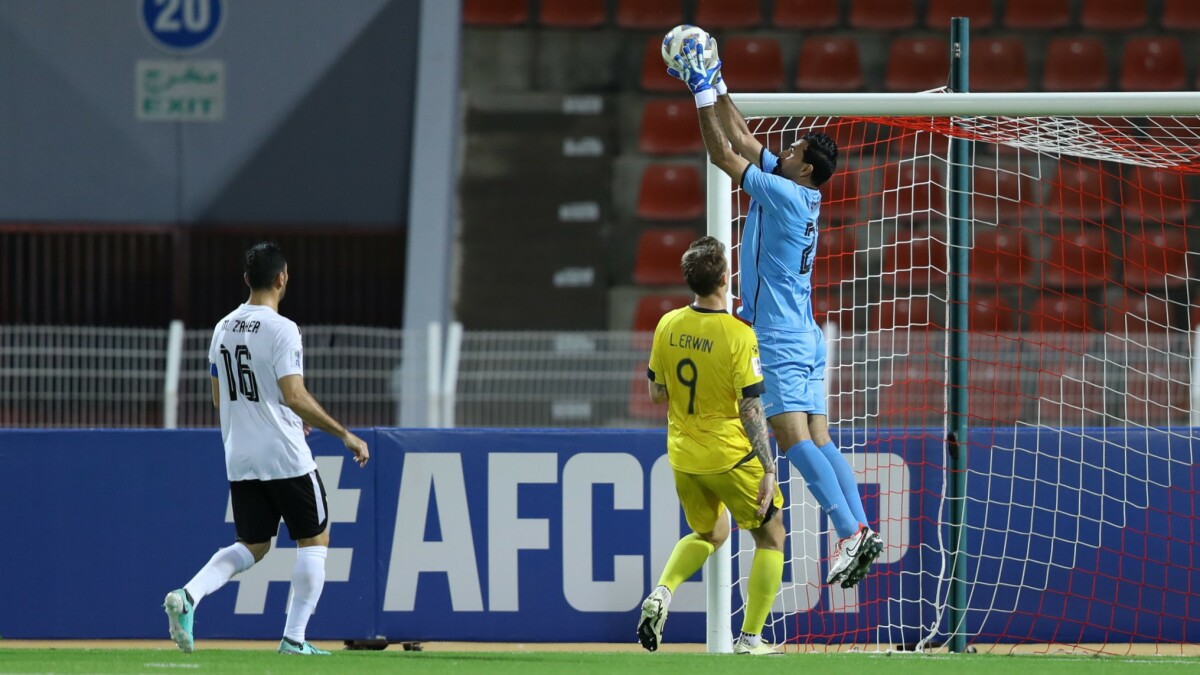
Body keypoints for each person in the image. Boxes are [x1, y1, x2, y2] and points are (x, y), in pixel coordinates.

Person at [669, 37, 883, 589]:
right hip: (806, 332)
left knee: (793, 440)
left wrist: (698, 97)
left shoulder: (786, 195)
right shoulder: (799, 189)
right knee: (821, 438)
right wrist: (716, 80)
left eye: (790, 151)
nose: (779, 151)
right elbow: (742, 135)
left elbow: (723, 154)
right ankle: (861, 527)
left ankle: (849, 533)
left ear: (805, 169)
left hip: (783, 337)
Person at [163, 242, 370, 656]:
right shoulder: (283, 329)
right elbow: (294, 395)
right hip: (284, 455)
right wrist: (344, 434)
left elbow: (220, 399)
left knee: (252, 545)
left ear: (246, 280)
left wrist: (281, 415)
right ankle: (294, 638)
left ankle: (188, 596)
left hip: (241, 457)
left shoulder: (222, 328)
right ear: (282, 278)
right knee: (315, 539)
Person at [637, 236, 785, 656]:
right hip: (730, 455)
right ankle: (751, 639)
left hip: (683, 454)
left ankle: (663, 592)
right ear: (725, 279)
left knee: (709, 532)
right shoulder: (739, 335)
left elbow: (657, 394)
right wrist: (769, 469)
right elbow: (751, 408)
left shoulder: (668, 324)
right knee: (771, 536)